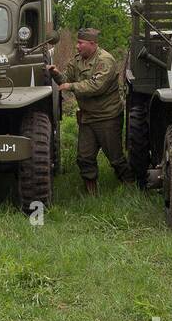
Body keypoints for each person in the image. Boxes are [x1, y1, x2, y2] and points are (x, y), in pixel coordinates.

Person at [51, 27, 133, 195]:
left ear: (92, 43)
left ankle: (131, 185)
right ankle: (91, 193)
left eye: (80, 43)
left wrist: (71, 86)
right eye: (77, 43)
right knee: (84, 157)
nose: (77, 46)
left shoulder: (105, 60)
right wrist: (56, 74)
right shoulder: (78, 60)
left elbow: (97, 86)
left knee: (115, 158)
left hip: (107, 117)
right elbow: (67, 79)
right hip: (88, 117)